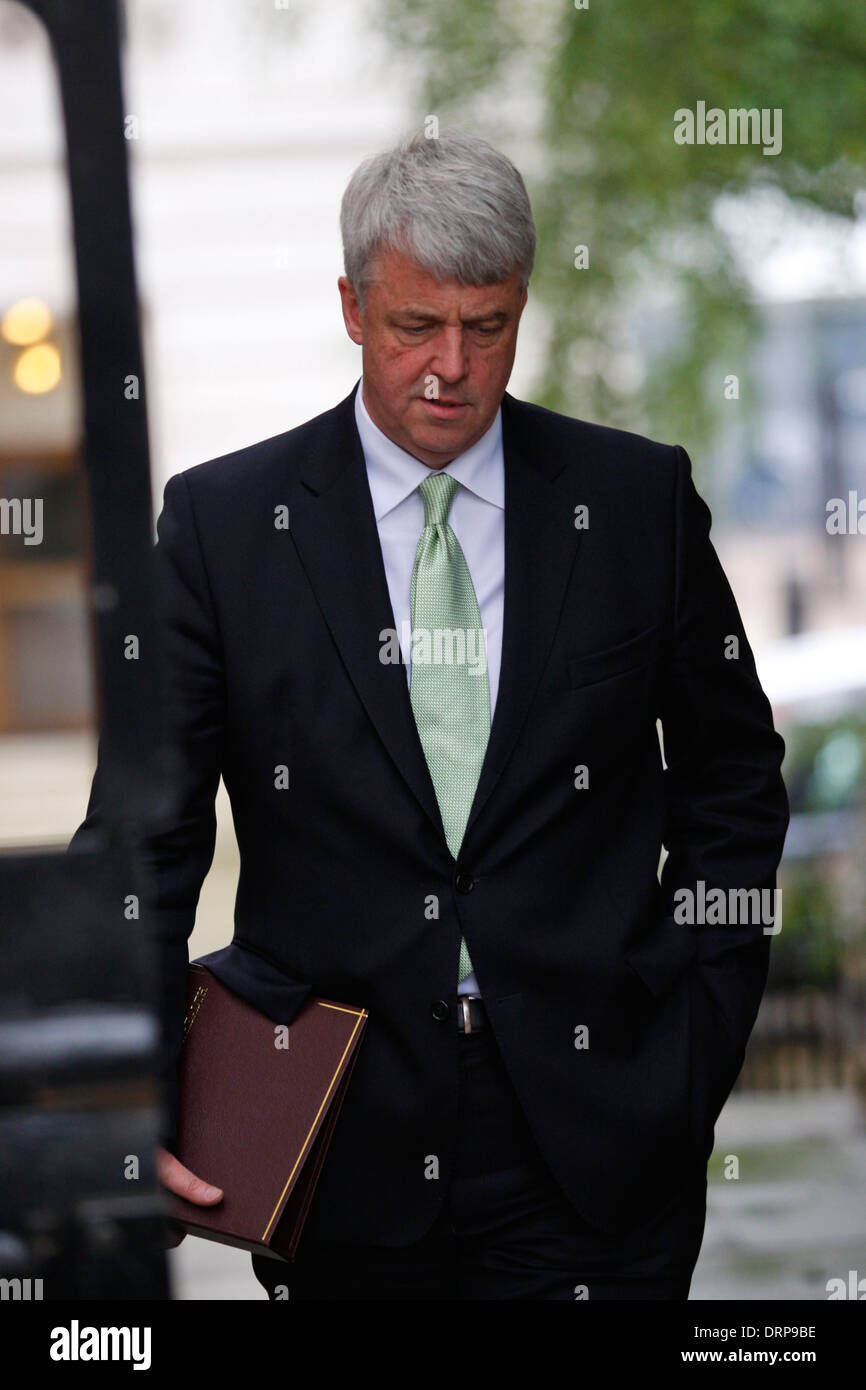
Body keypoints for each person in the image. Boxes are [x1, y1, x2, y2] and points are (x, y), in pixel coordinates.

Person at [70, 127, 789, 1300]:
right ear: (352, 307)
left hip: (597, 1139)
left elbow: (734, 783)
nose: (451, 366)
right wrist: (128, 1096)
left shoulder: (634, 500)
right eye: (415, 327)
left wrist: (693, 1033)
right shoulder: (221, 529)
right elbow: (144, 841)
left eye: (488, 325)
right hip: (335, 1146)